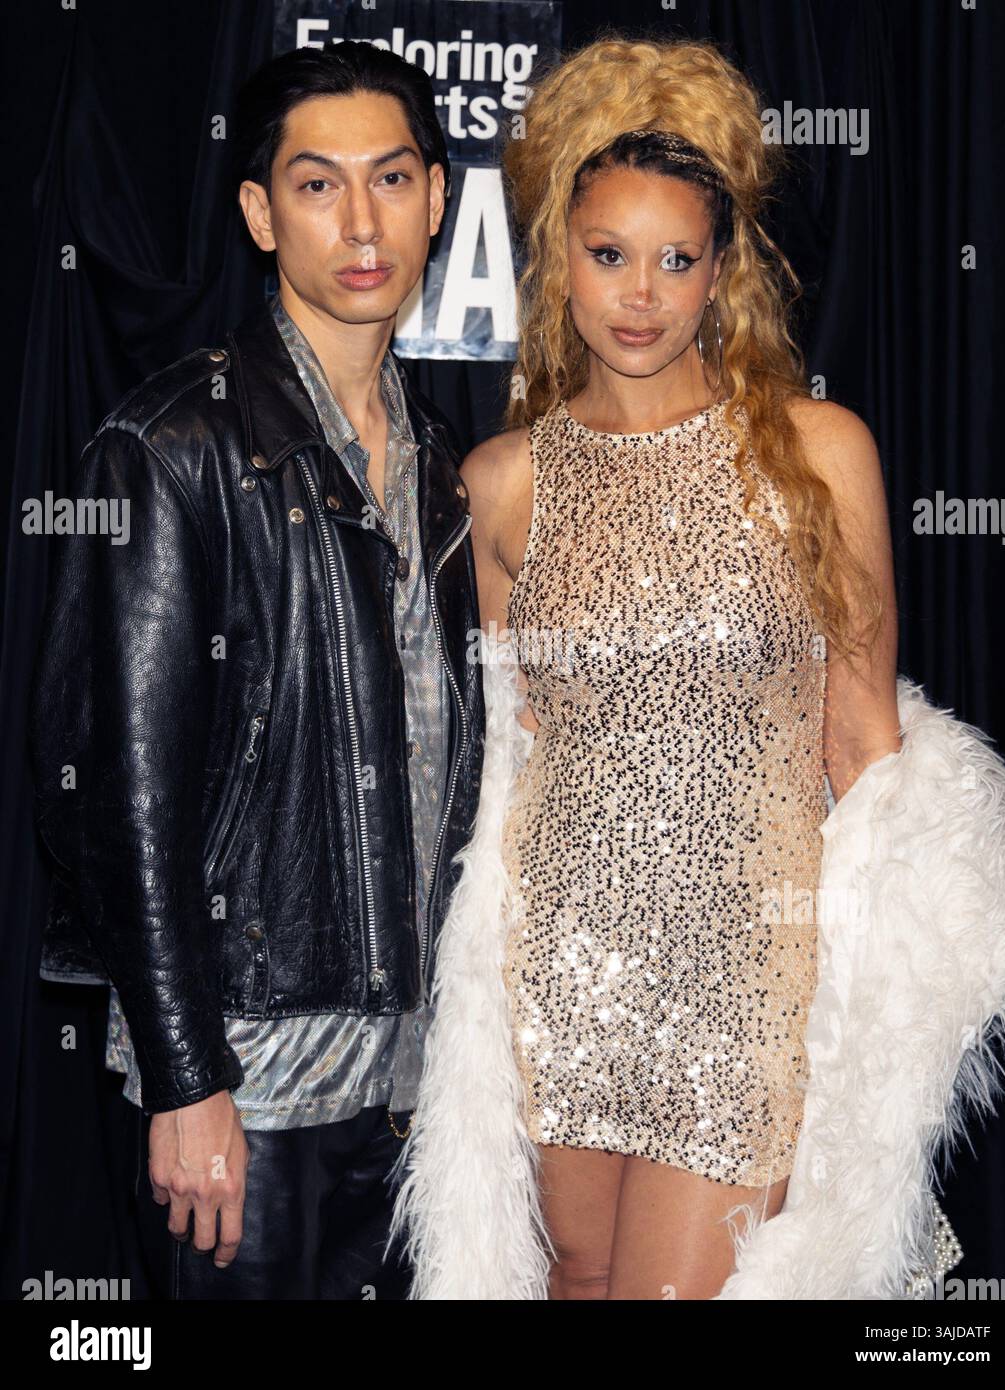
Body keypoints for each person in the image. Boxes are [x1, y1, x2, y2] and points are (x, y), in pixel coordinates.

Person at [388, 36, 1005, 1300]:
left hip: (746, 982)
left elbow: (864, 746)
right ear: (556, 261)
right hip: (563, 974)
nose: (639, 293)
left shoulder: (814, 451)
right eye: (608, 254)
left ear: (720, 272)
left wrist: (871, 1033)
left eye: (674, 259)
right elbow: (509, 760)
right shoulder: (501, 483)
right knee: (571, 1284)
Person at [28, 43, 484, 1300]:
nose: (360, 221)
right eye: (316, 184)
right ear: (258, 211)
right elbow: (111, 796)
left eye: (391, 179)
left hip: (417, 1085)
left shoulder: (448, 466)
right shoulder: (173, 448)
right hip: (252, 1080)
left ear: (439, 199)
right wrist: (184, 1077)